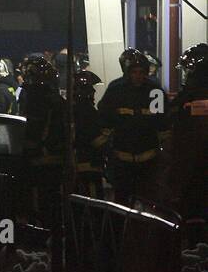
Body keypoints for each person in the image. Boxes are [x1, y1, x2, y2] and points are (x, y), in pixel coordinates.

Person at [98, 48, 169, 205]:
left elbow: (162, 122)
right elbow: (105, 118)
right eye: (134, 72)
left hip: (149, 157)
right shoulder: (115, 89)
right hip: (122, 156)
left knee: (149, 199)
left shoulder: (155, 91)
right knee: (122, 200)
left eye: (141, 72)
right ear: (128, 72)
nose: (138, 76)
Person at [164, 43, 208, 221]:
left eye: (188, 70)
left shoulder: (191, 97)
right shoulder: (189, 96)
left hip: (192, 171)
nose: (185, 75)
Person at [18, 54, 66, 217]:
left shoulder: (34, 99)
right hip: (54, 157)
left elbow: (32, 128)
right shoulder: (56, 100)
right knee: (52, 199)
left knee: (38, 199)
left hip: (38, 157)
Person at [71, 69, 107, 197]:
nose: (94, 92)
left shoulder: (71, 108)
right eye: (91, 89)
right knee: (95, 205)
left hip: (75, 165)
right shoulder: (87, 111)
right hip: (89, 164)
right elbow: (96, 139)